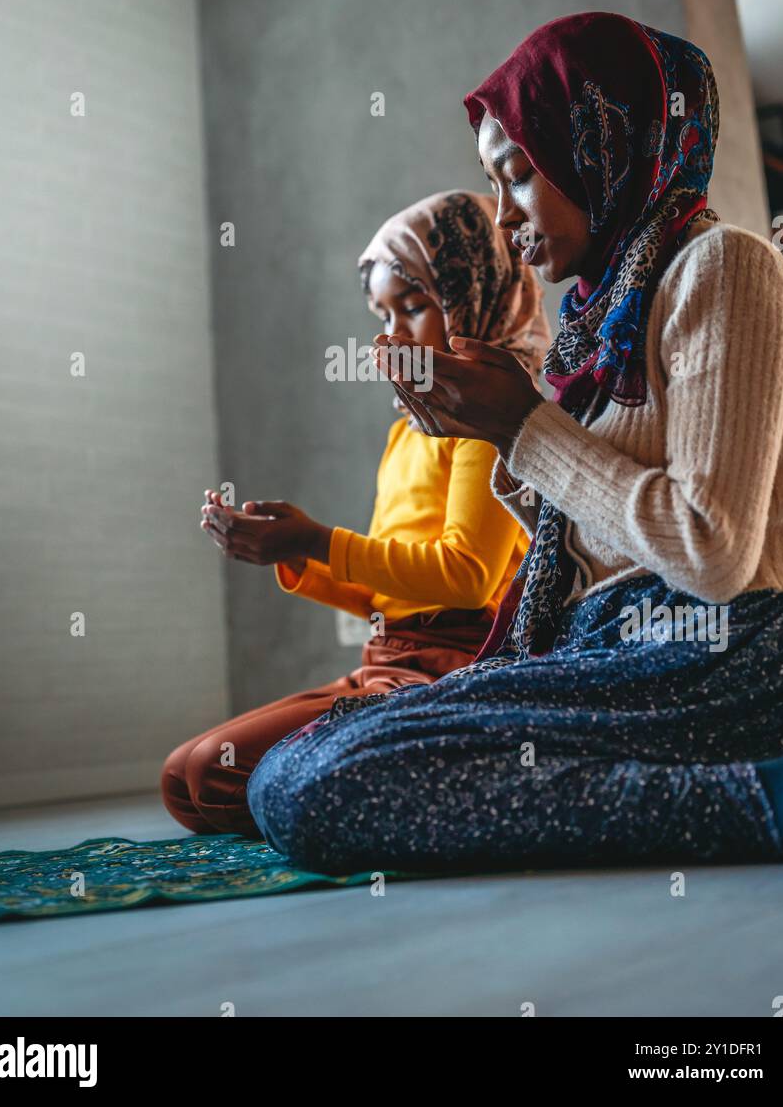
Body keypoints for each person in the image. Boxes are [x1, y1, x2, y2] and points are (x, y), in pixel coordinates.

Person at [246, 11, 783, 872]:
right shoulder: (599, 320)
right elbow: (593, 532)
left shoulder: (722, 268)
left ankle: (777, 799)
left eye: (516, 176)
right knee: (286, 770)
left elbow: (711, 550)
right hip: (612, 646)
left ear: (598, 143)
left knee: (325, 786)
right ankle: (754, 789)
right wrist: (498, 433)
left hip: (724, 649)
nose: (507, 217)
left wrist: (521, 426)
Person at [161, 190, 549, 835]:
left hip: (451, 666)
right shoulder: (410, 432)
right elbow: (392, 591)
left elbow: (464, 580)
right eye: (380, 312)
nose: (391, 335)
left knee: (215, 775)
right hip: (387, 656)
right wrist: (299, 551)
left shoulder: (492, 420)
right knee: (184, 778)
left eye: (415, 305)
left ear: (475, 293)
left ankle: (432, 774)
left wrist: (320, 538)